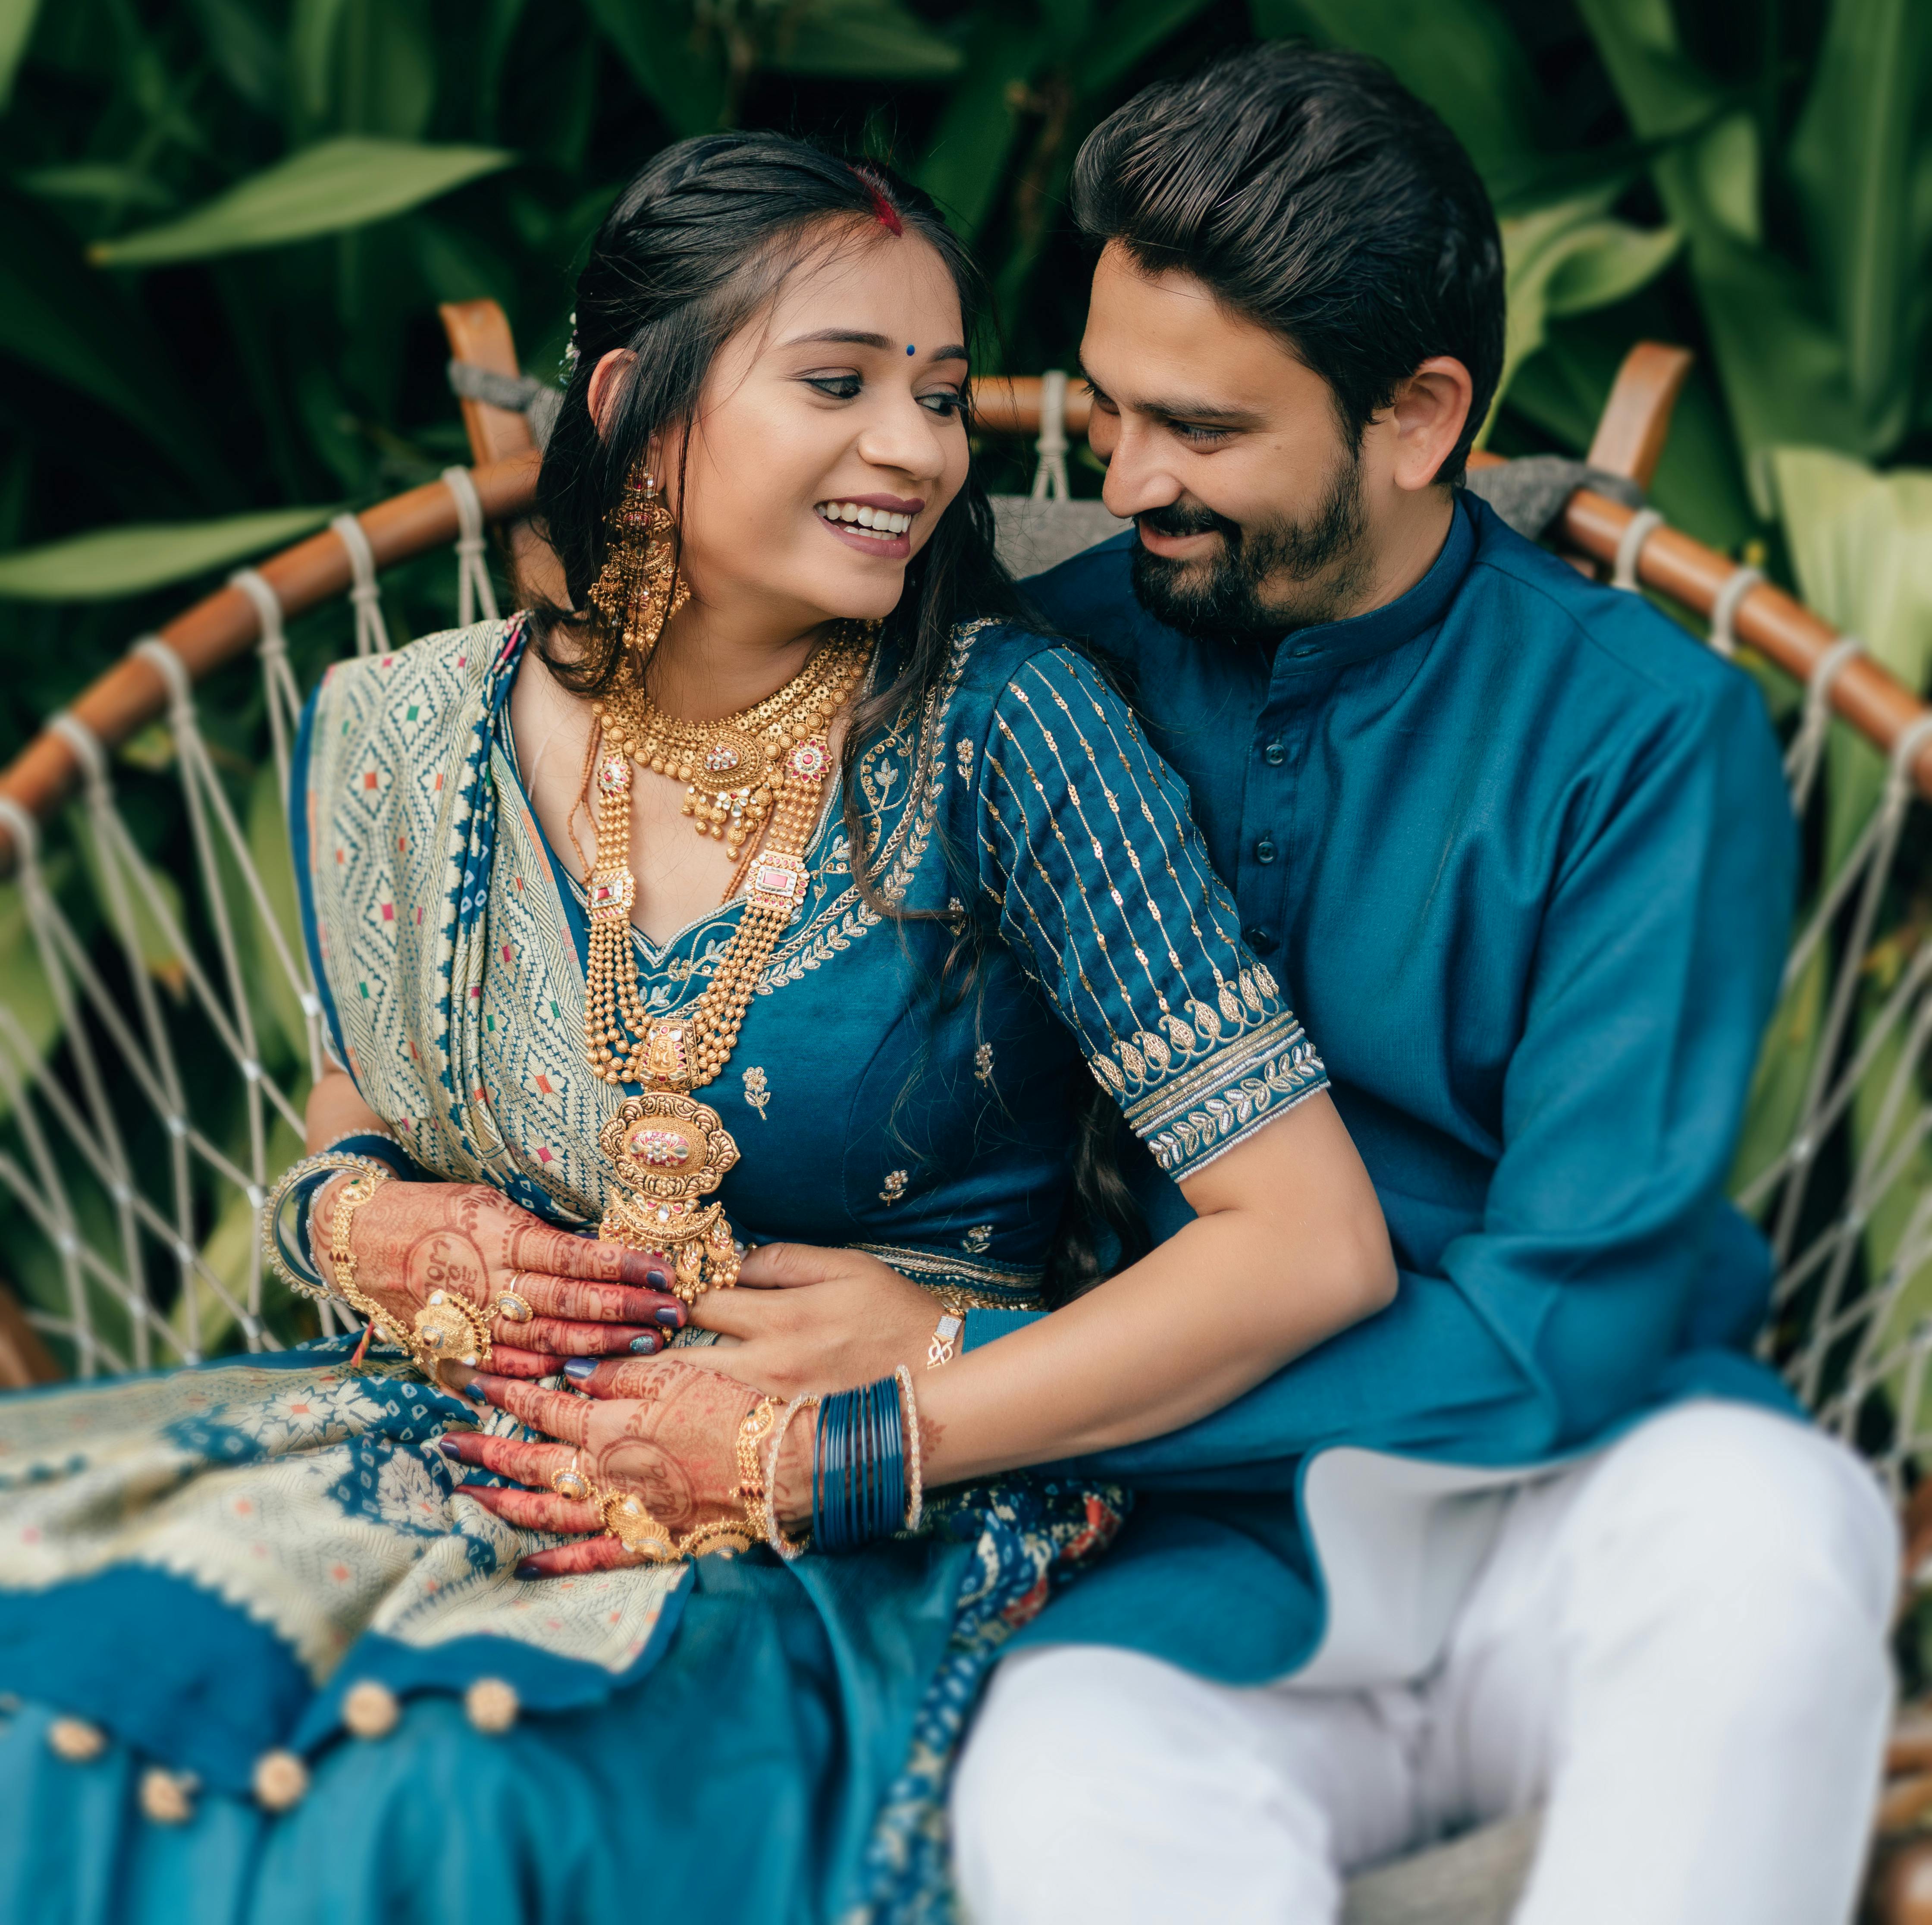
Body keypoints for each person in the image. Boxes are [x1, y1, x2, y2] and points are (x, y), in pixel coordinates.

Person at [0, 133, 1392, 1925]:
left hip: (838, 1528)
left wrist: (902, 1399)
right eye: (837, 383)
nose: (914, 450)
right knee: (66, 1692)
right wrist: (367, 1222)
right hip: (445, 1446)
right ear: (636, 406)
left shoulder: (1008, 738)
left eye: (944, 397)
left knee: (451, 1797)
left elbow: (1312, 1243)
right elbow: (359, 1120)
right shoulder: (414, 740)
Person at [938, 45, 1900, 1925]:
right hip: (1207, 1555)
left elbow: (1572, 1317)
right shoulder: (1042, 674)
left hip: (1574, 1501)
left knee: (1779, 1553)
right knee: (1058, 1783)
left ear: (1417, 416)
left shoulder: (1642, 731)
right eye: (1107, 410)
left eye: (1198, 432)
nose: (1120, 481)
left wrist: (978, 1392)